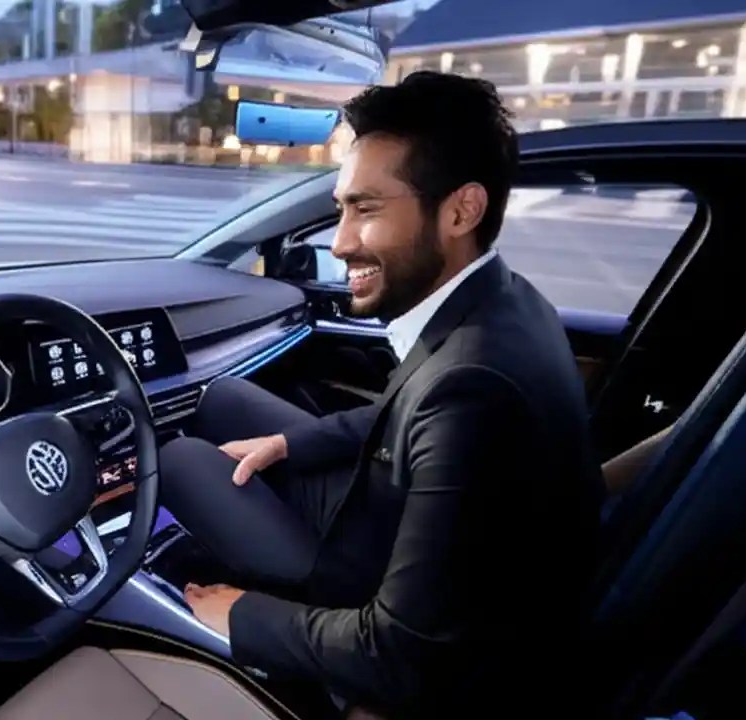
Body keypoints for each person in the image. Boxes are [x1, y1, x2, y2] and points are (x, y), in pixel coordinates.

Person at [160, 71, 605, 716]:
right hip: (397, 510)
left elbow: (399, 656)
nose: (340, 242)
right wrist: (289, 443)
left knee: (178, 459)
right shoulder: (508, 300)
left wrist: (244, 614)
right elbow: (406, 411)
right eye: (342, 208)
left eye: (366, 210)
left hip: (375, 582)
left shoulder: (472, 390)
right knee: (226, 398)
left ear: (461, 211)